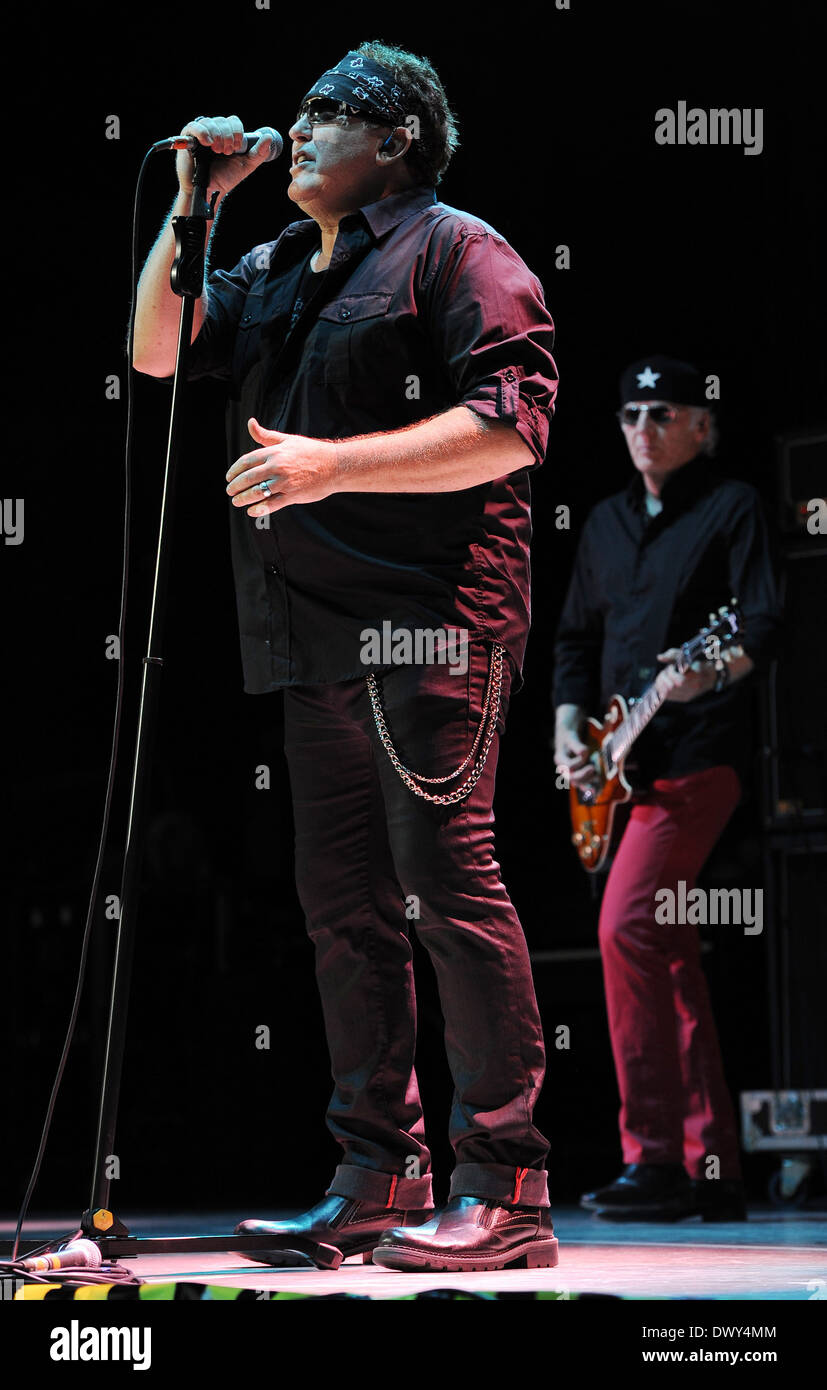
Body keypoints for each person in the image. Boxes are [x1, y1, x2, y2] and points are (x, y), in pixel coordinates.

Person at [134, 44, 559, 1271]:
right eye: (301, 112)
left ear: (400, 139)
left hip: (429, 622)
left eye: (331, 115)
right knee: (344, 915)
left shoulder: (457, 249)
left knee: (447, 891)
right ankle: (377, 1171)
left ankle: (508, 1181)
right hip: (309, 637)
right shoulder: (276, 266)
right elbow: (158, 349)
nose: (300, 131)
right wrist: (192, 206)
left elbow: (510, 430)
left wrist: (332, 464)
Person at [553, 355, 779, 1222]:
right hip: (619, 772)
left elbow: (764, 623)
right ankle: (711, 1167)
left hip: (699, 758)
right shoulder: (605, 523)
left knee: (625, 928)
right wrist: (570, 737)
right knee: (669, 955)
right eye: (629, 415)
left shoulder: (733, 508)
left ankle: (650, 1159)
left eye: (660, 413)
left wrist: (707, 673)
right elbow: (573, 641)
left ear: (700, 425)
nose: (641, 430)